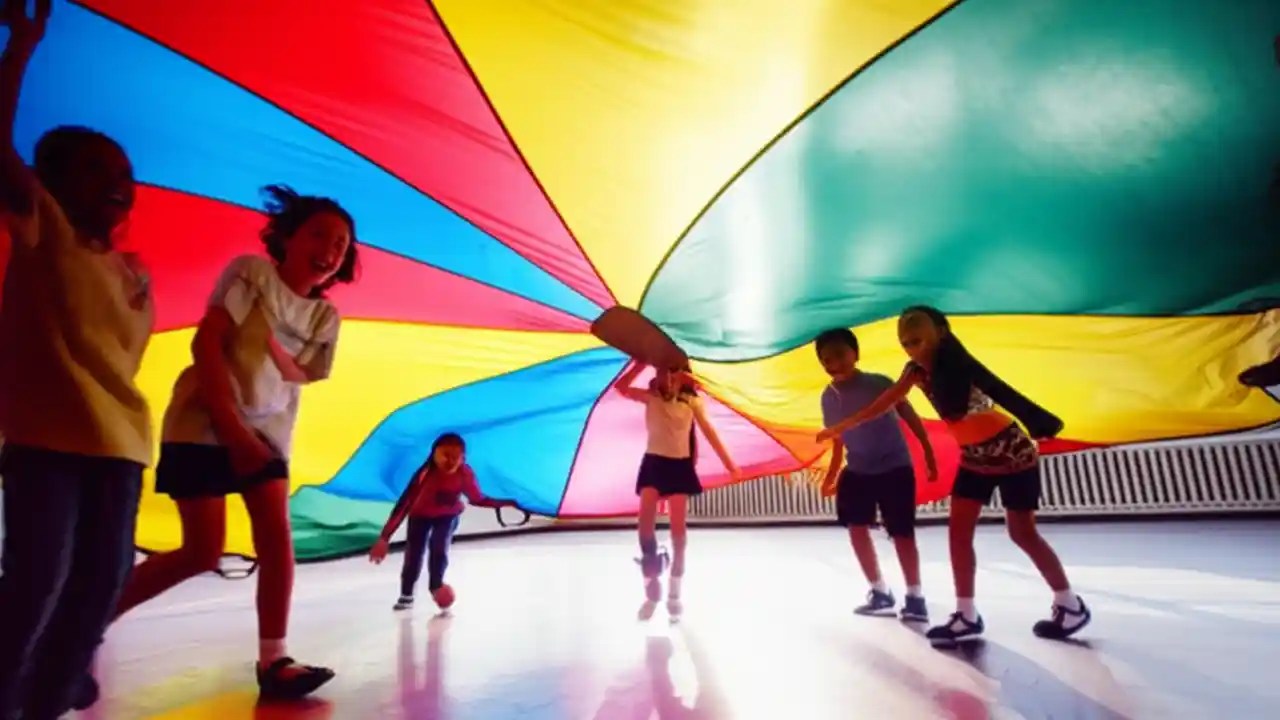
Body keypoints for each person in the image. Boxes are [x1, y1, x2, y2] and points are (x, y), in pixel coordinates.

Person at [108, 184, 360, 699]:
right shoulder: (252, 273)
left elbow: (301, 374)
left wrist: (253, 438)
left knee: (276, 538)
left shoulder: (324, 318)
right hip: (204, 420)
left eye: (341, 245)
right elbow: (206, 342)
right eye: (320, 234)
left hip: (267, 435)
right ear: (287, 236)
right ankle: (88, 619)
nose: (330, 250)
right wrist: (230, 428)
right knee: (201, 551)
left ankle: (274, 660)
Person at [0, 1, 154, 716]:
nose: (116, 184)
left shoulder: (131, 271)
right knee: (36, 578)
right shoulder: (44, 231)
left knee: (101, 580)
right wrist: (21, 49)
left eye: (123, 173)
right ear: (51, 181)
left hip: (120, 448)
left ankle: (49, 695)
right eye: (95, 171)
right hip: (47, 443)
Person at [818, 306, 1090, 645]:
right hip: (975, 458)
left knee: (1022, 532)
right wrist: (841, 427)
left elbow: (1001, 391)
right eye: (904, 340)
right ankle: (966, 615)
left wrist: (1042, 424)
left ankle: (1069, 604)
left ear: (941, 332)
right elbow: (885, 402)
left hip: (1012, 450)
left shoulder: (959, 365)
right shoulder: (914, 371)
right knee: (958, 534)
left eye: (916, 335)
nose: (909, 342)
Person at [814, 328, 936, 622]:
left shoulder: (879, 383)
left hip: (894, 466)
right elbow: (838, 438)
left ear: (855, 353)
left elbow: (908, 414)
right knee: (856, 529)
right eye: (826, 359)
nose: (834, 363)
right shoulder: (829, 397)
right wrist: (831, 475)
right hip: (857, 468)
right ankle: (879, 592)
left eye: (840, 355)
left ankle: (915, 596)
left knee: (902, 532)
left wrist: (928, 450)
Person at [613, 362, 741, 620]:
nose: (668, 379)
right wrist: (639, 364)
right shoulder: (651, 397)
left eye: (674, 374)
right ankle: (651, 587)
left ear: (683, 378)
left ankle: (674, 592)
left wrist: (730, 465)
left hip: (679, 466)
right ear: (656, 375)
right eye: (663, 372)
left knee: (679, 536)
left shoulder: (692, 402)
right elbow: (622, 387)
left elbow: (710, 432)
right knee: (645, 530)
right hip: (654, 463)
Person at [369, 432, 514, 610]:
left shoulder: (464, 474)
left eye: (455, 457)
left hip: (447, 517)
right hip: (420, 516)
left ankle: (436, 586)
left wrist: (508, 502)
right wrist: (384, 538)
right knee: (414, 554)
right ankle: (407, 593)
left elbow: (478, 499)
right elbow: (404, 505)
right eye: (445, 455)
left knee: (439, 546)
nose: (450, 461)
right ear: (434, 455)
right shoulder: (425, 474)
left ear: (463, 458)